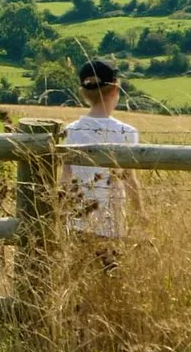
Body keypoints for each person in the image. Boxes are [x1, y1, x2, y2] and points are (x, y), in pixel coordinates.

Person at [61, 58, 142, 265]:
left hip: (78, 219)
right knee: (110, 272)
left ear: (84, 93)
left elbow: (66, 179)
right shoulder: (126, 132)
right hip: (113, 220)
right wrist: (140, 212)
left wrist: (61, 213)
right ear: (115, 89)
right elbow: (130, 179)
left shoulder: (71, 131)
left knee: (78, 271)